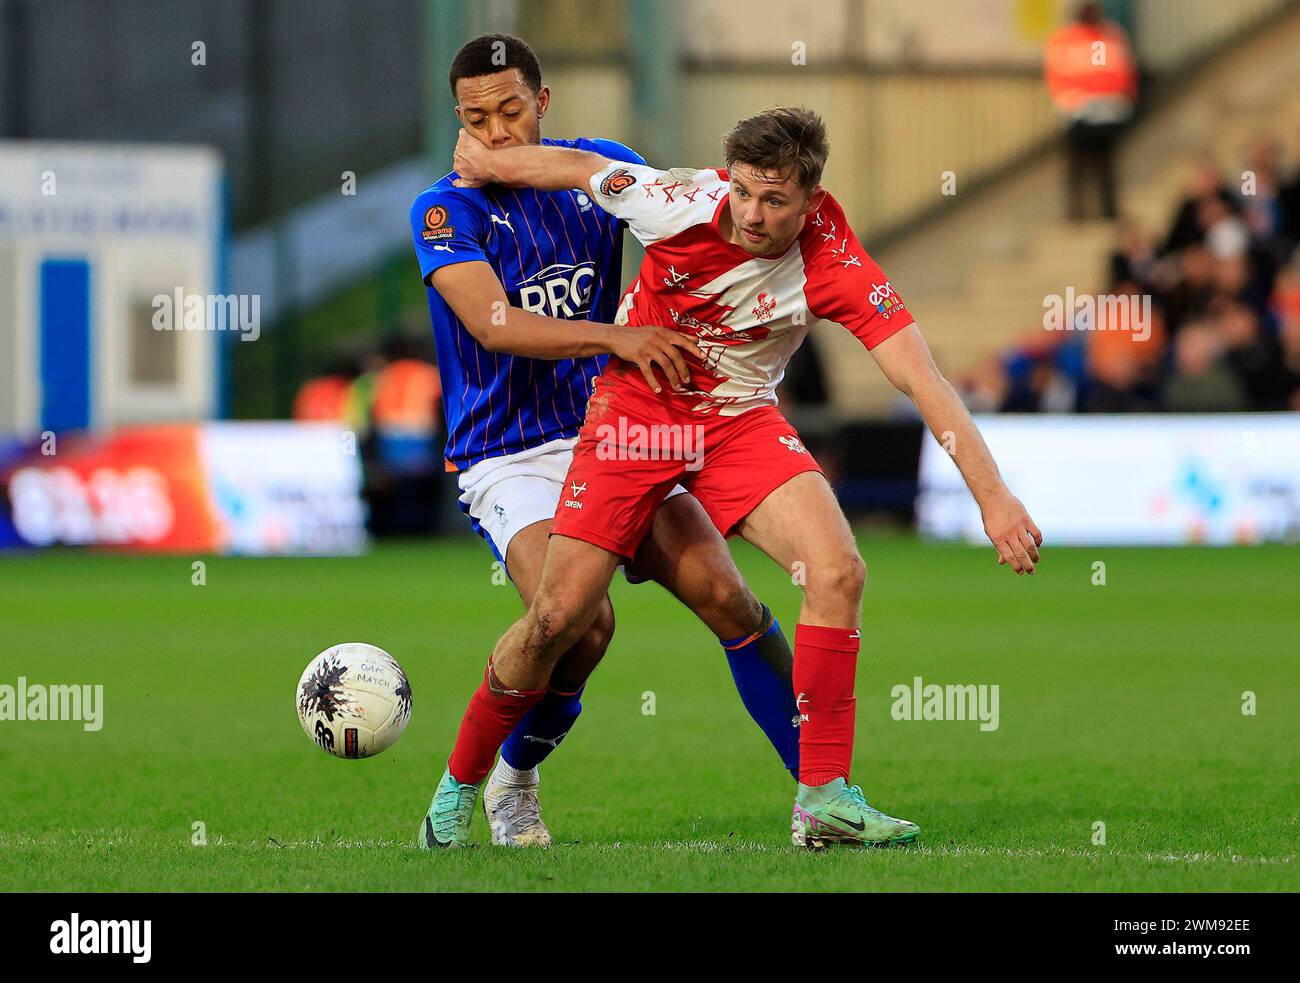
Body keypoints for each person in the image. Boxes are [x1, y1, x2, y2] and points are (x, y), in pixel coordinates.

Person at [432, 106, 1043, 849]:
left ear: (811, 201)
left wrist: (995, 497)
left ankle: (823, 797)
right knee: (562, 617)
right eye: (745, 191)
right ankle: (459, 786)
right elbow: (578, 168)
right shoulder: (678, 200)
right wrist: (490, 163)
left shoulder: (836, 265)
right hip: (636, 414)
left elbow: (924, 381)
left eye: (775, 200)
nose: (751, 214)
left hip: (736, 419)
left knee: (837, 570)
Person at [410, 35, 801, 848]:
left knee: (728, 596)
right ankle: (489, 781)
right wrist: (614, 338)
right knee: (577, 626)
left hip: (618, 427)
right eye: (476, 117)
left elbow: (693, 207)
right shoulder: (444, 210)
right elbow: (494, 323)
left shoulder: (599, 170)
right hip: (508, 451)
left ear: (543, 102)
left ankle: (827, 787)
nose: (496, 130)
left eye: (511, 110)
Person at [1044, 1, 1138, 221]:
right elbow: (1057, 75)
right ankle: (1078, 211)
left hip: (1106, 112)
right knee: (1079, 166)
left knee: (1105, 165)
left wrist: (1123, 100)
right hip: (1078, 113)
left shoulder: (1111, 36)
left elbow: (1124, 71)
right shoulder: (1066, 39)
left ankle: (1107, 210)